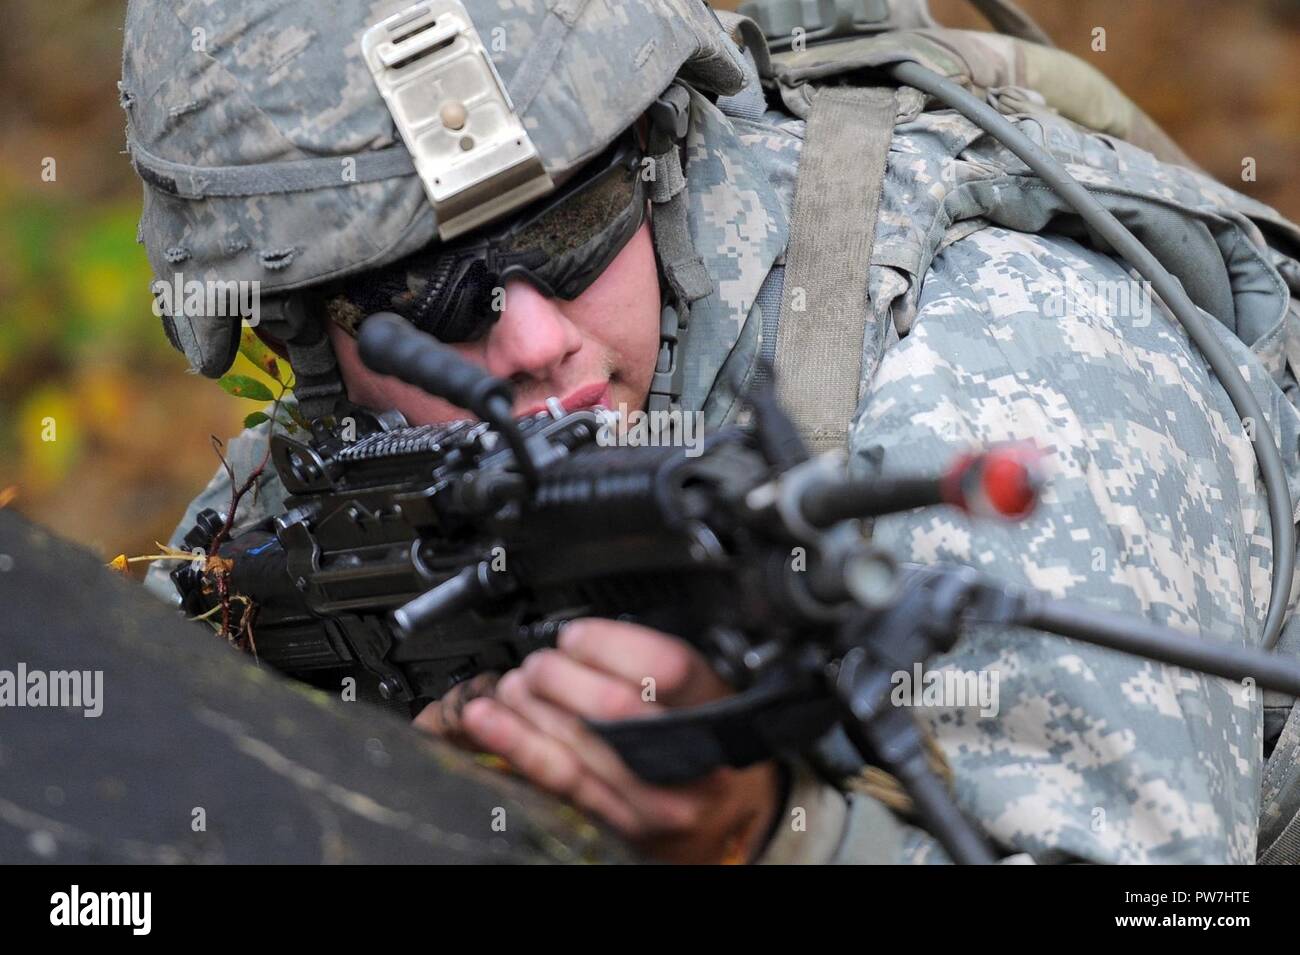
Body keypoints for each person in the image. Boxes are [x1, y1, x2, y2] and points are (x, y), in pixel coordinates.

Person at [127, 0, 1300, 863]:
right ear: (309, 338)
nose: (535, 339)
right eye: (432, 295)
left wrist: (771, 836)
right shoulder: (302, 521)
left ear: (658, 158)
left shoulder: (988, 384)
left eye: (575, 224)